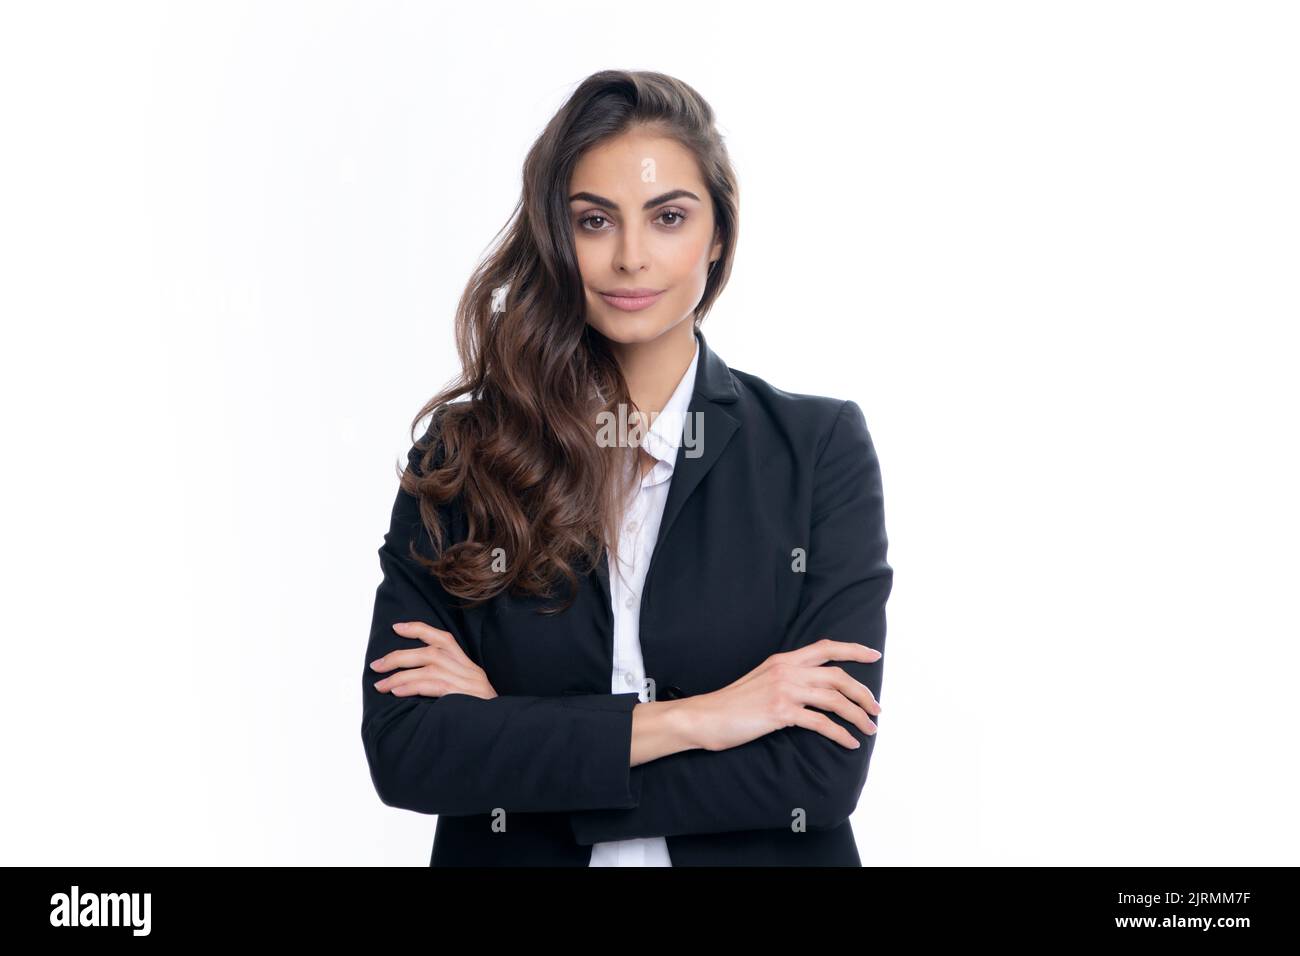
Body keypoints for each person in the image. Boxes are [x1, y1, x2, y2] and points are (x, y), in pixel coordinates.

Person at [361, 69, 893, 866]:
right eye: (594, 220)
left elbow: (817, 774)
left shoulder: (816, 449)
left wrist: (515, 732)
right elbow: (408, 750)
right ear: (555, 236)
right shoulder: (465, 455)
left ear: (717, 236)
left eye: (668, 217)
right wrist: (703, 718)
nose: (631, 257)